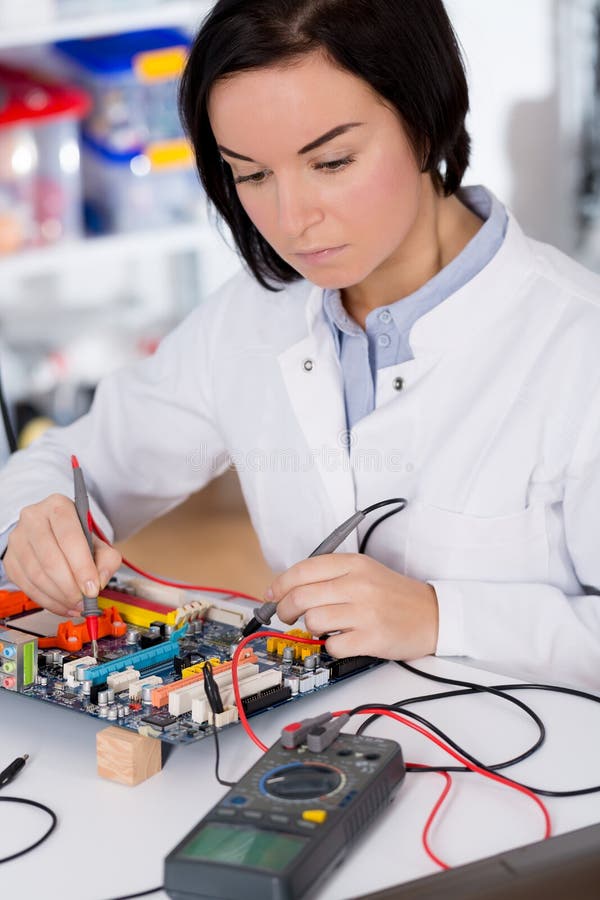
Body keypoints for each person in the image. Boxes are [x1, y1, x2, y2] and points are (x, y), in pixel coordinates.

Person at [1, 0, 600, 690]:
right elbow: (69, 462)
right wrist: (35, 519)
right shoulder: (254, 317)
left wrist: (443, 617)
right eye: (251, 174)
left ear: (428, 119)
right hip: (317, 763)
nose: (291, 219)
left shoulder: (575, 346)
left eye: (332, 161)